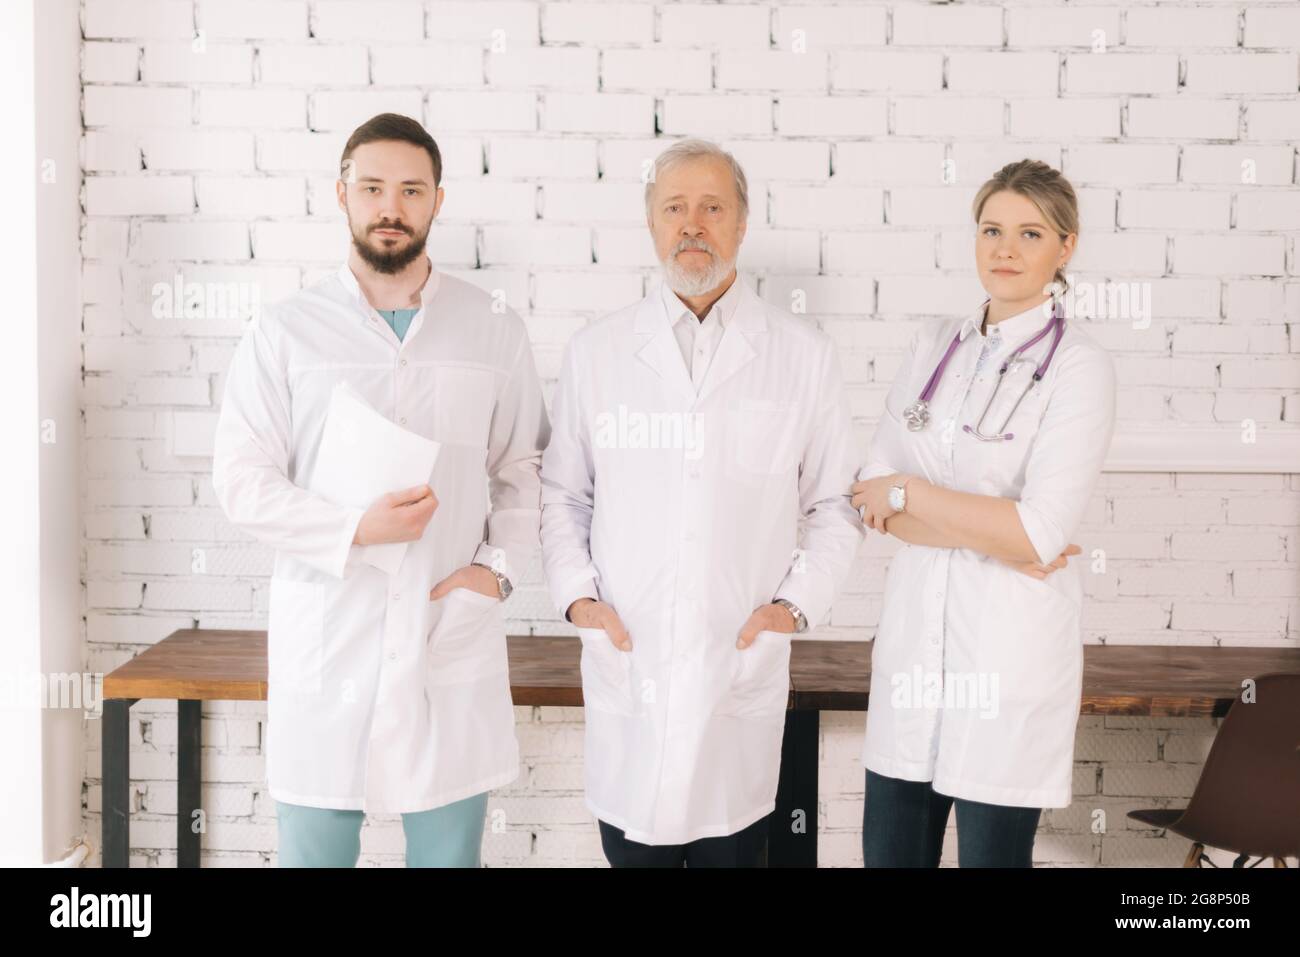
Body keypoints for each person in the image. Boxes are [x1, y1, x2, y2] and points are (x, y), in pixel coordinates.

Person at [211, 113, 548, 867]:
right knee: (315, 855)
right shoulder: (285, 332)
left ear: (437, 201)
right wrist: (352, 528)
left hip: (446, 630)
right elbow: (241, 479)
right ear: (342, 194)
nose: (390, 207)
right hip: (329, 636)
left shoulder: (492, 328)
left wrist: (494, 574)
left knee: (447, 857)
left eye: (410, 190)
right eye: (371, 188)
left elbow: (524, 469)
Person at [540, 139, 864, 867]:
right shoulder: (597, 352)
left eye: (713, 207)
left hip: (735, 670)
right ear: (652, 224)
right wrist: (578, 600)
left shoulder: (801, 354)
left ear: (742, 223)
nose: (693, 224)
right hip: (631, 662)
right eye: (674, 208)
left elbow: (835, 504)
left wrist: (794, 607)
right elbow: (563, 495)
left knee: (735, 846)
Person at [851, 159, 1116, 868]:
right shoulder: (933, 344)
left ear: (1065, 246)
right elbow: (869, 495)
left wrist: (911, 494)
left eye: (1031, 233)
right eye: (992, 229)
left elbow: (1038, 531)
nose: (1005, 249)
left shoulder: (1079, 366)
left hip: (1007, 664)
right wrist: (997, 531)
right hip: (913, 656)